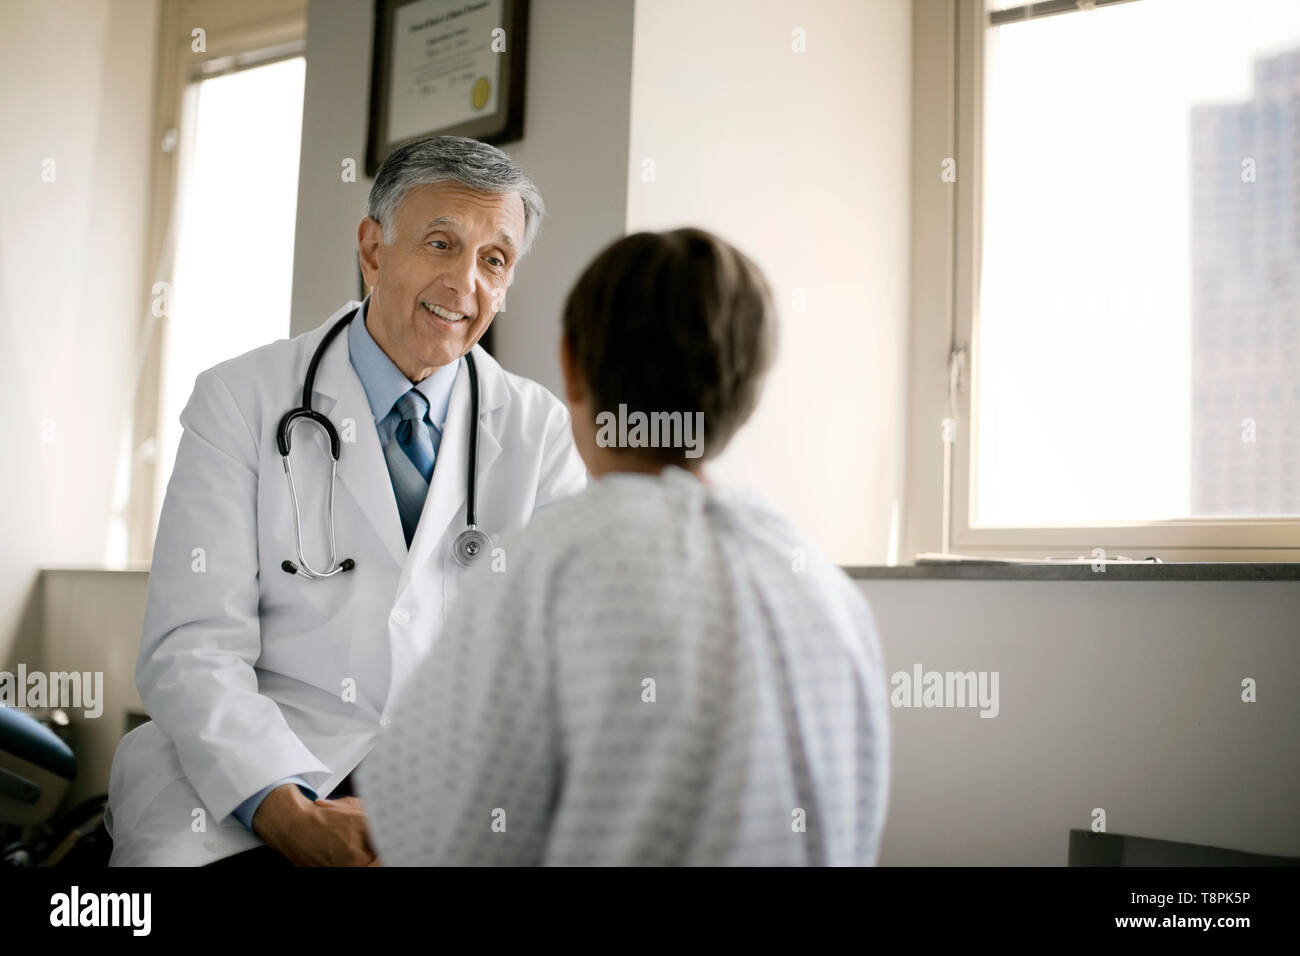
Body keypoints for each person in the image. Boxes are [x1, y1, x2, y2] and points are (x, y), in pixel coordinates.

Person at [105, 136, 587, 866]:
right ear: (372, 249)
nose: (465, 285)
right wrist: (284, 809)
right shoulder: (240, 399)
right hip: (252, 767)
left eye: (495, 260)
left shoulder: (540, 430)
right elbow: (193, 647)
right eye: (439, 242)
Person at [358, 227, 891, 865]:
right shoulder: (824, 588)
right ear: (748, 395)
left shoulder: (541, 572)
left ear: (572, 368)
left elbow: (432, 837)